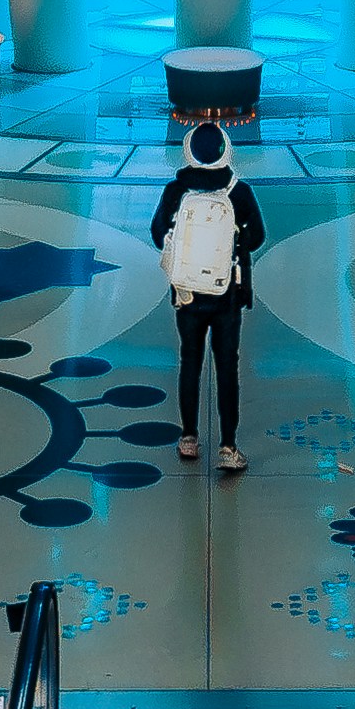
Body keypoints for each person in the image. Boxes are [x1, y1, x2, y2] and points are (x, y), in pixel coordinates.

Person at [148, 115, 264, 477]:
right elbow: (258, 236)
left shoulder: (176, 191)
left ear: (189, 151)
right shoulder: (239, 192)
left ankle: (188, 437)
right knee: (227, 367)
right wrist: (232, 243)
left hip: (187, 295)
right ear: (226, 151)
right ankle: (228, 447)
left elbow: (157, 232)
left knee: (190, 360)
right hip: (226, 295)